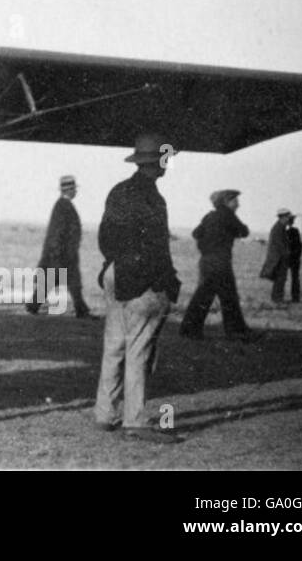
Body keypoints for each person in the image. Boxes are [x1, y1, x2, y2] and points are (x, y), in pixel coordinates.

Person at [94, 133, 182, 443]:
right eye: (165, 160)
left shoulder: (119, 191)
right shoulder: (154, 199)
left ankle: (106, 414)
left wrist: (117, 264)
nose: (167, 165)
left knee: (115, 346)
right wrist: (165, 282)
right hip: (141, 280)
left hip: (115, 273)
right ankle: (135, 421)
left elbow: (106, 236)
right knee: (139, 351)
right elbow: (158, 249)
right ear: (157, 163)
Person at [180, 190, 254, 341]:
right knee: (228, 297)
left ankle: (189, 330)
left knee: (204, 296)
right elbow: (244, 232)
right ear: (226, 202)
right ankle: (237, 332)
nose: (238, 203)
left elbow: (196, 233)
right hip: (221, 262)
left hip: (206, 261)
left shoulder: (209, 216)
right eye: (235, 200)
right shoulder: (228, 215)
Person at [26, 175, 93, 318]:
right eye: (74, 189)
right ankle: (81, 310)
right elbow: (59, 232)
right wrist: (59, 254)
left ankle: (33, 306)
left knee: (57, 281)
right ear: (69, 190)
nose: (76, 191)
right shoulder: (64, 206)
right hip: (64, 254)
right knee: (72, 282)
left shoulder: (62, 205)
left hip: (62, 254)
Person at [261, 209, 296, 304]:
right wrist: (287, 254)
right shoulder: (278, 228)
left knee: (280, 279)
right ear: (283, 217)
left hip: (279, 258)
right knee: (280, 279)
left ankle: (277, 299)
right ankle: (277, 299)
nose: (289, 218)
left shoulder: (280, 227)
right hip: (279, 258)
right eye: (288, 217)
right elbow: (280, 245)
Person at [284, 217, 302, 304]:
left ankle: (294, 297)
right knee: (295, 278)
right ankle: (295, 297)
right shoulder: (295, 231)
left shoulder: (284, 231)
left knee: (290, 277)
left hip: (289, 258)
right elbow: (299, 245)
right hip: (294, 258)